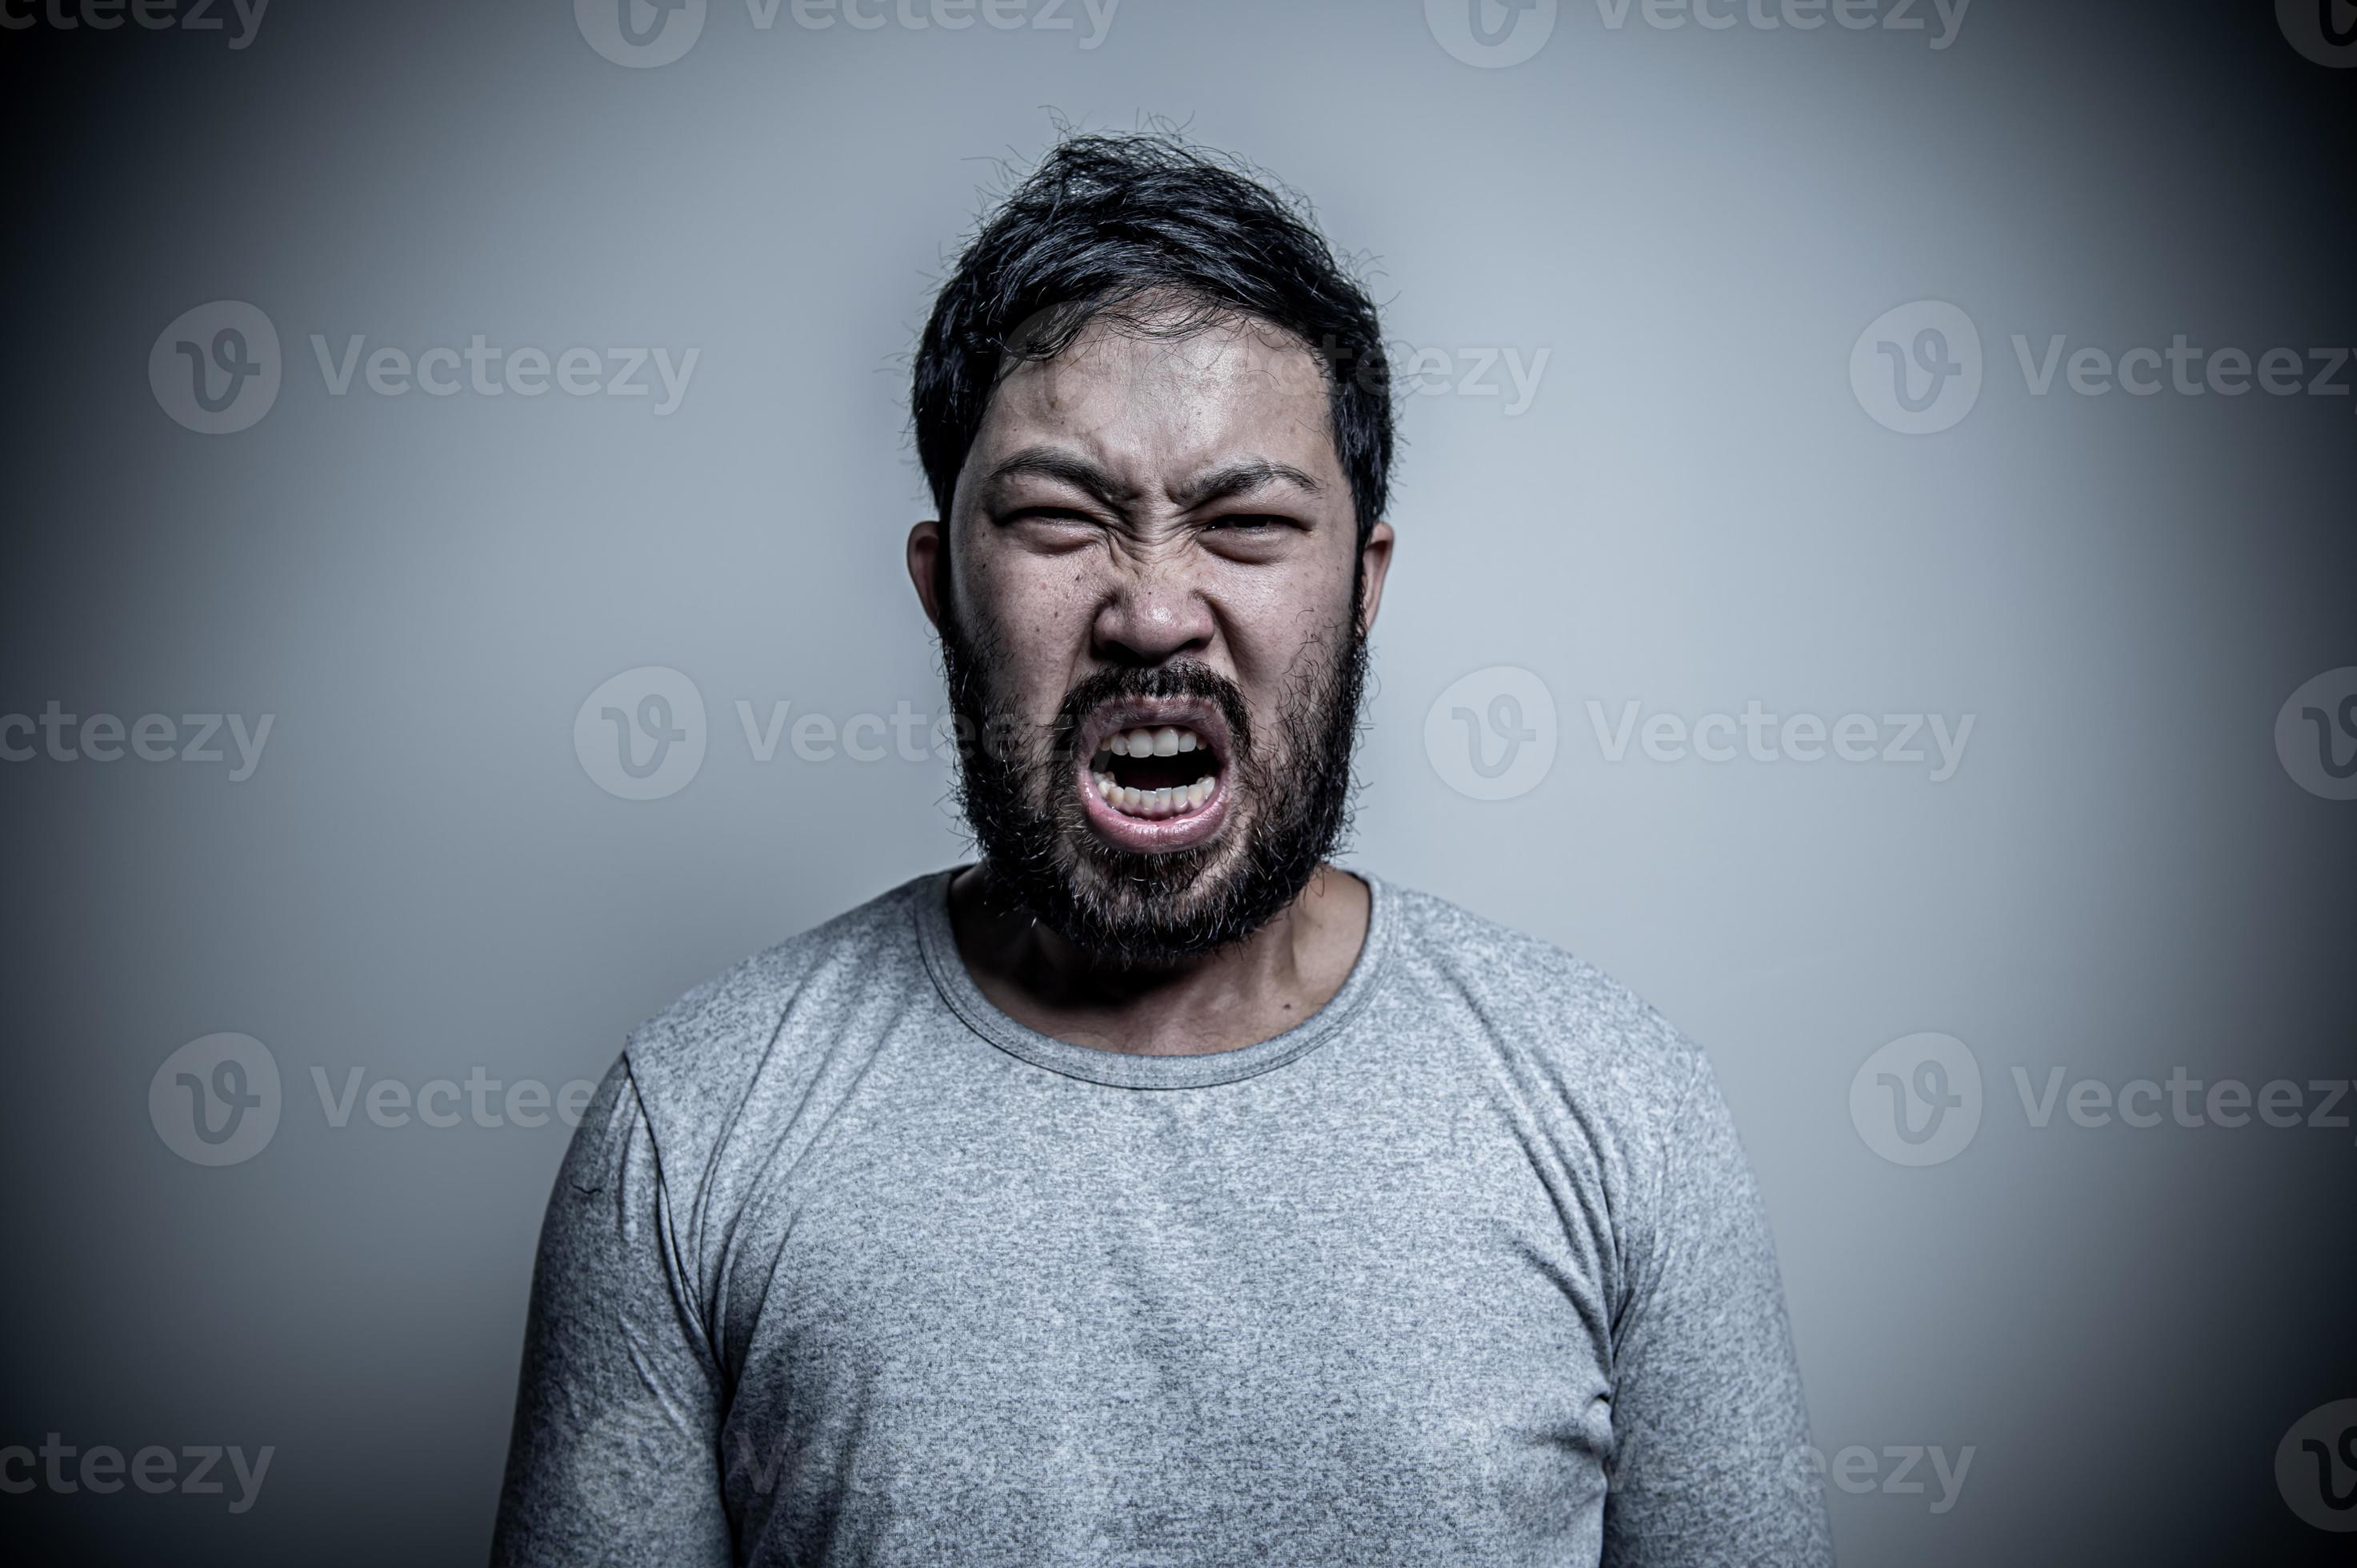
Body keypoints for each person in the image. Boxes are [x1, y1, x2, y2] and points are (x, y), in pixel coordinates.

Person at [493, 130, 1832, 1567]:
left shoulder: (1619, 1115)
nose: (1149, 610)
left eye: (1245, 524)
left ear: (1360, 587)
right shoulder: (692, 1130)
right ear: (943, 587)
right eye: (1061, 520)